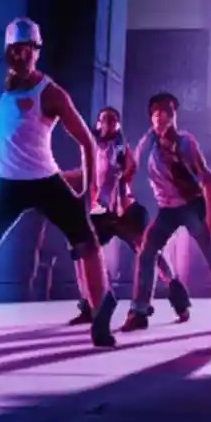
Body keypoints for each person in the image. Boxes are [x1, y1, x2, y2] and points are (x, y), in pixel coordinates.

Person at [0, 18, 116, 350]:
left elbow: (88, 142)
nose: (21, 56)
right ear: (9, 53)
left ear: (37, 51)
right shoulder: (3, 81)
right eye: (15, 51)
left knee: (86, 240)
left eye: (28, 50)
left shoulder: (51, 93)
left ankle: (101, 318)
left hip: (45, 181)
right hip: (8, 186)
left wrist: (89, 192)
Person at [63, 107, 185, 326]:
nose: (108, 124)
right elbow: (85, 174)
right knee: (81, 250)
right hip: (101, 213)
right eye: (104, 120)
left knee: (152, 253)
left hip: (125, 211)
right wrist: (59, 177)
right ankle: (89, 305)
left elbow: (128, 166)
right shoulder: (92, 149)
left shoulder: (120, 146)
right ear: (98, 124)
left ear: (117, 125)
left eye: (112, 120)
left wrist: (123, 171)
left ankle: (178, 299)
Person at [125, 92, 211, 331]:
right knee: (147, 253)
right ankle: (140, 312)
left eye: (166, 113)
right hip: (167, 209)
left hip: (191, 205)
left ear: (174, 116)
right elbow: (131, 169)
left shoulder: (186, 142)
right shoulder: (148, 146)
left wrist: (210, 221)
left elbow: (208, 179)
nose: (160, 118)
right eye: (156, 114)